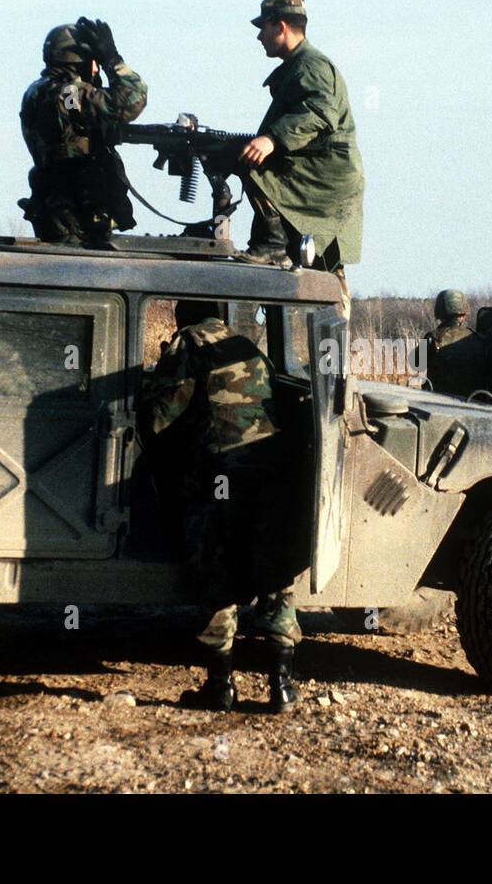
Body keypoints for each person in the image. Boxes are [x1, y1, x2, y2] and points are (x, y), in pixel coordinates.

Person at [140, 300, 301, 713]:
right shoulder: (247, 344)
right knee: (272, 575)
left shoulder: (188, 343)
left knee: (219, 571)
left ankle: (220, 686)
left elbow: (161, 414)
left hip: (221, 475)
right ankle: (281, 686)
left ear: (182, 317)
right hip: (269, 472)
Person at [238, 0, 363, 304]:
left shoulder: (312, 66)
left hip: (324, 176)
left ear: (281, 27)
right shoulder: (299, 66)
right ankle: (273, 243)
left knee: (254, 165)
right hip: (316, 170)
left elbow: (321, 112)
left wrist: (272, 139)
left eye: (263, 28)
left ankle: (271, 245)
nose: (258, 36)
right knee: (320, 263)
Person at [18, 18, 148, 247]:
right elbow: (132, 98)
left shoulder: (37, 91)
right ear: (79, 60)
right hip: (77, 220)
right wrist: (112, 59)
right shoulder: (68, 93)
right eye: (92, 61)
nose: (95, 68)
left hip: (56, 212)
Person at [424, 290, 486, 397]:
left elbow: (415, 363)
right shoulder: (478, 338)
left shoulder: (433, 337)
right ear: (464, 312)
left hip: (437, 400)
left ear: (440, 311)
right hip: (472, 402)